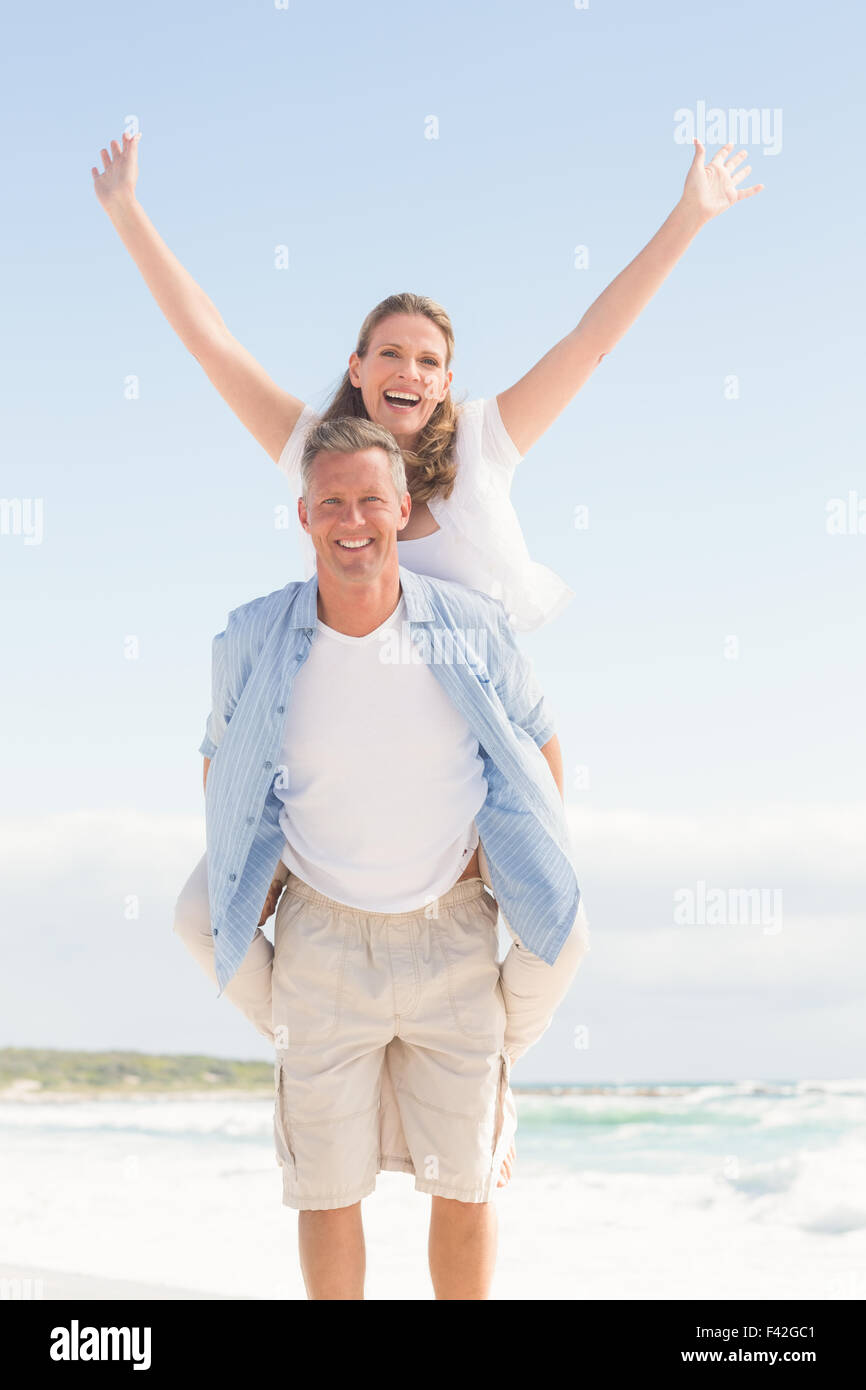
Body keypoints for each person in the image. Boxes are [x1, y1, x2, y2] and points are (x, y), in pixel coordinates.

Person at [194, 414, 589, 1298]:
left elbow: (540, 739)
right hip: (321, 939)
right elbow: (219, 757)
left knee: (467, 1183)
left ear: (403, 510)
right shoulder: (253, 635)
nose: (353, 520)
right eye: (331, 501)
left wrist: (518, 852)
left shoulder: (470, 625)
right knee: (327, 1191)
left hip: (453, 931)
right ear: (304, 514)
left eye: (372, 500)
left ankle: (497, 1077)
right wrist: (260, 865)